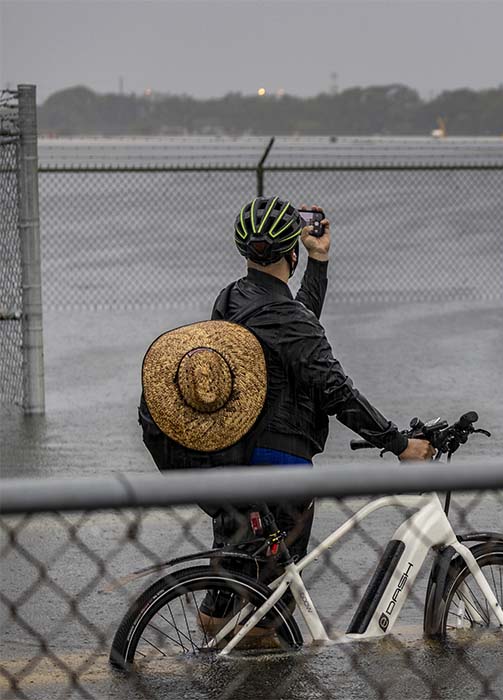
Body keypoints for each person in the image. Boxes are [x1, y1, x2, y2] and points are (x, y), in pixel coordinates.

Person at [197, 196, 434, 637]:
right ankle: (260, 668)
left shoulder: (232, 298)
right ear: (291, 251)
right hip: (281, 464)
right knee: (273, 602)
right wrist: (399, 444)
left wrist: (318, 261)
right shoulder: (287, 318)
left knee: (229, 583)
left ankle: (214, 659)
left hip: (232, 456)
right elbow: (335, 390)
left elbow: (293, 325)